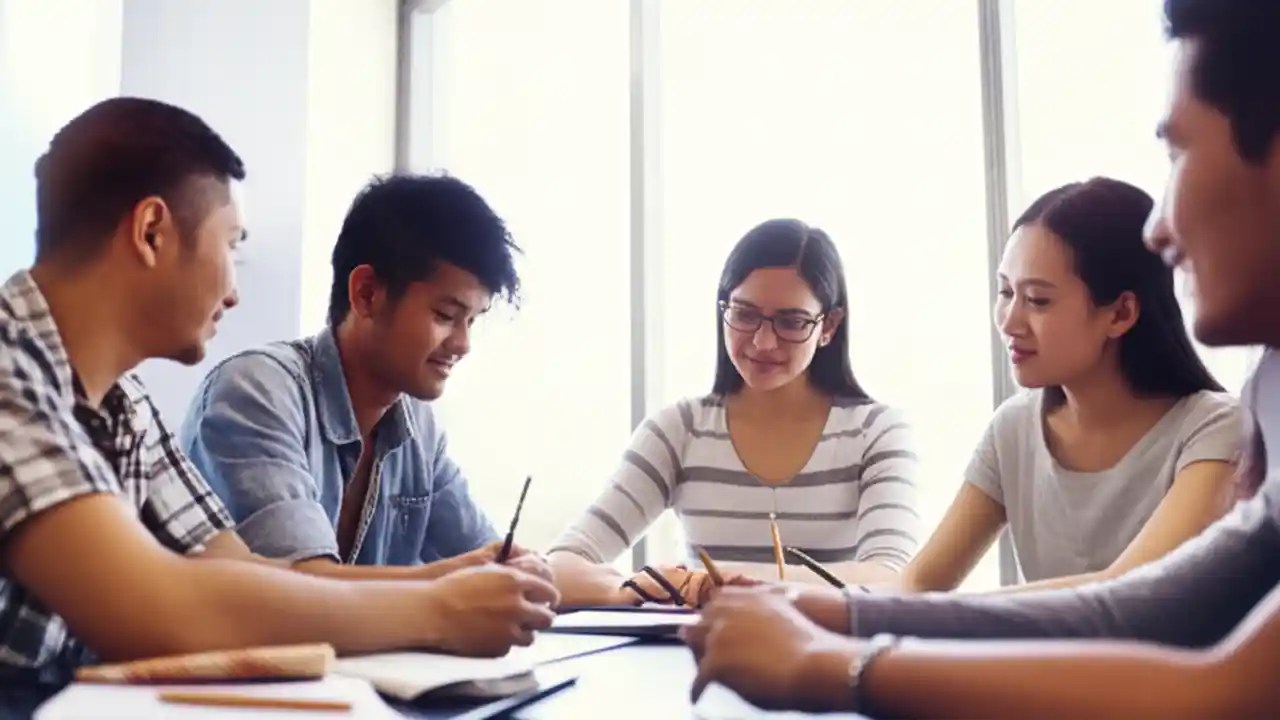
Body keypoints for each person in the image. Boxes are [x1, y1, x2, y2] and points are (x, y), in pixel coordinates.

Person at [684, 0, 1280, 716]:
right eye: (1005, 294)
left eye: (1178, 154)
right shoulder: (1265, 399)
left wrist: (833, 660)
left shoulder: (1212, 425)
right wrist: (830, 615)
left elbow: (1213, 684)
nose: (1161, 229)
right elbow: (1141, 608)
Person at [0, 98, 557, 702]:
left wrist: (438, 581)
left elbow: (232, 570)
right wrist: (437, 606)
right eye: (231, 246)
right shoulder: (9, 369)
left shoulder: (125, 400)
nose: (235, 292)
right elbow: (150, 603)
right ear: (152, 232)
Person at [180, 174, 550, 582]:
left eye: (472, 321)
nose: (462, 344)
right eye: (445, 316)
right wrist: (450, 585)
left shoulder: (418, 428)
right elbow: (300, 589)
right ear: (367, 294)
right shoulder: (255, 392)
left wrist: (520, 573)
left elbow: (485, 556)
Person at [550, 219, 919, 608]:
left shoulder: (876, 432)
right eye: (744, 315)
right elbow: (559, 566)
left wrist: (712, 582)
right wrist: (637, 588)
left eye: (791, 322)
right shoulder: (679, 431)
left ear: (828, 326)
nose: (763, 341)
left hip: (828, 660)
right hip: (697, 659)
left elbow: (894, 576)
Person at [898, 177, 1239, 596]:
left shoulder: (1216, 429)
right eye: (1005, 292)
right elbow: (919, 583)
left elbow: (1124, 595)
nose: (1009, 321)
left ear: (1121, 313)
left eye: (1038, 301)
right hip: (1048, 662)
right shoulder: (1014, 429)